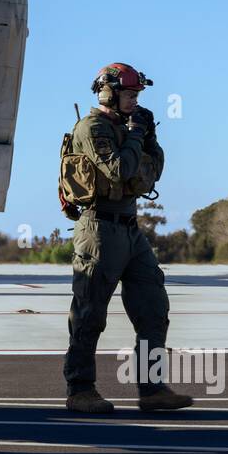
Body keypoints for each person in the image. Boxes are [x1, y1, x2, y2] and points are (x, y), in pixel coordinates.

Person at [62, 62, 192, 413]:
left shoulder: (128, 126)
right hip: (99, 229)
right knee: (90, 312)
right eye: (130, 94)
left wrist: (147, 135)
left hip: (130, 227)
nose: (135, 101)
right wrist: (135, 134)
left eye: (136, 95)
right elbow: (118, 169)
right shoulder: (91, 128)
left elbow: (154, 170)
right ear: (109, 93)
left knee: (153, 308)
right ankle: (80, 389)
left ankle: (152, 390)